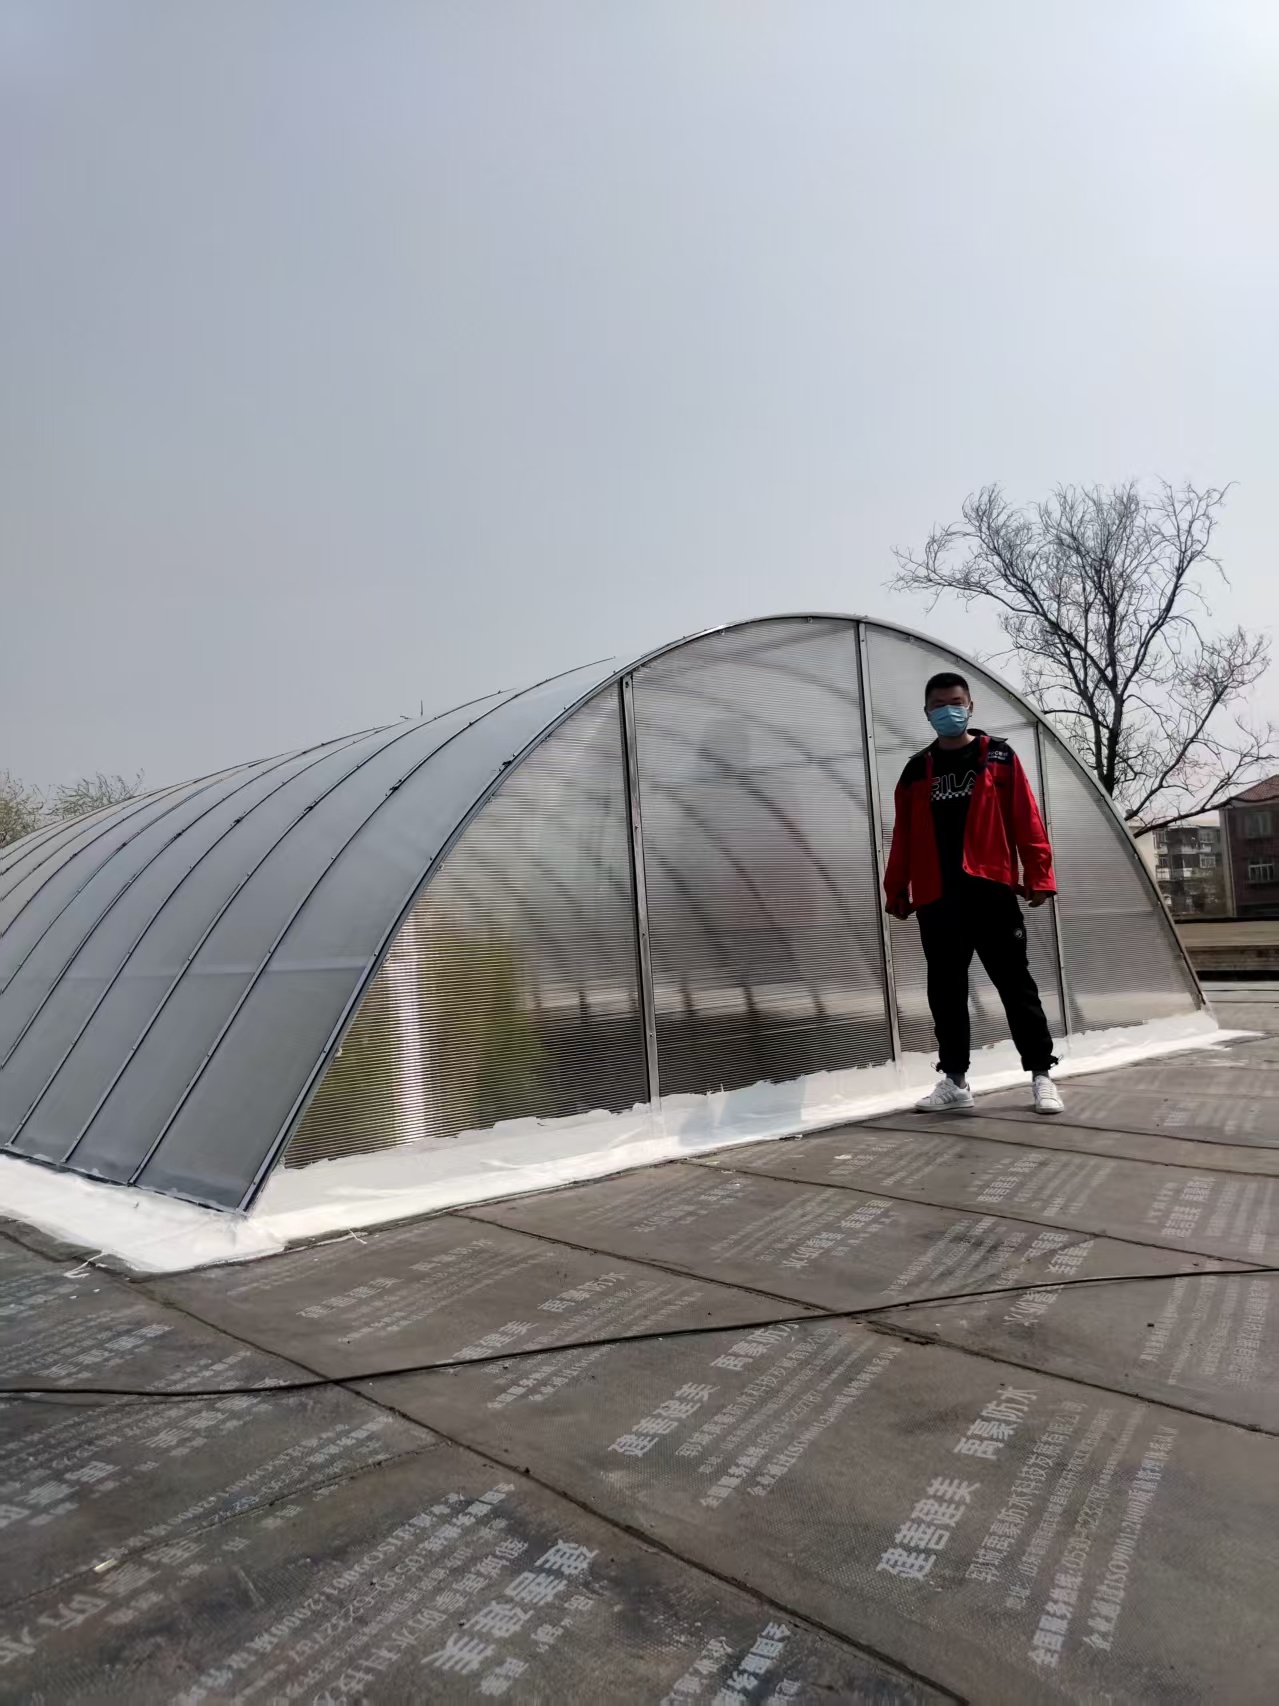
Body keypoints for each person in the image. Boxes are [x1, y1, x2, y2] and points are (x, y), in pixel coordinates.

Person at [883, 671, 1064, 1114]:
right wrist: (897, 888)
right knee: (946, 992)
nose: (949, 711)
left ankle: (1041, 1075)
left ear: (970, 706)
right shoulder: (916, 770)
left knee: (1015, 985)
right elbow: (903, 835)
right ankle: (955, 1080)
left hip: (990, 892)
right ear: (927, 712)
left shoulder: (999, 757)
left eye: (956, 702)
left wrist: (1039, 874)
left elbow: (1026, 817)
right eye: (939, 705)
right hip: (937, 897)